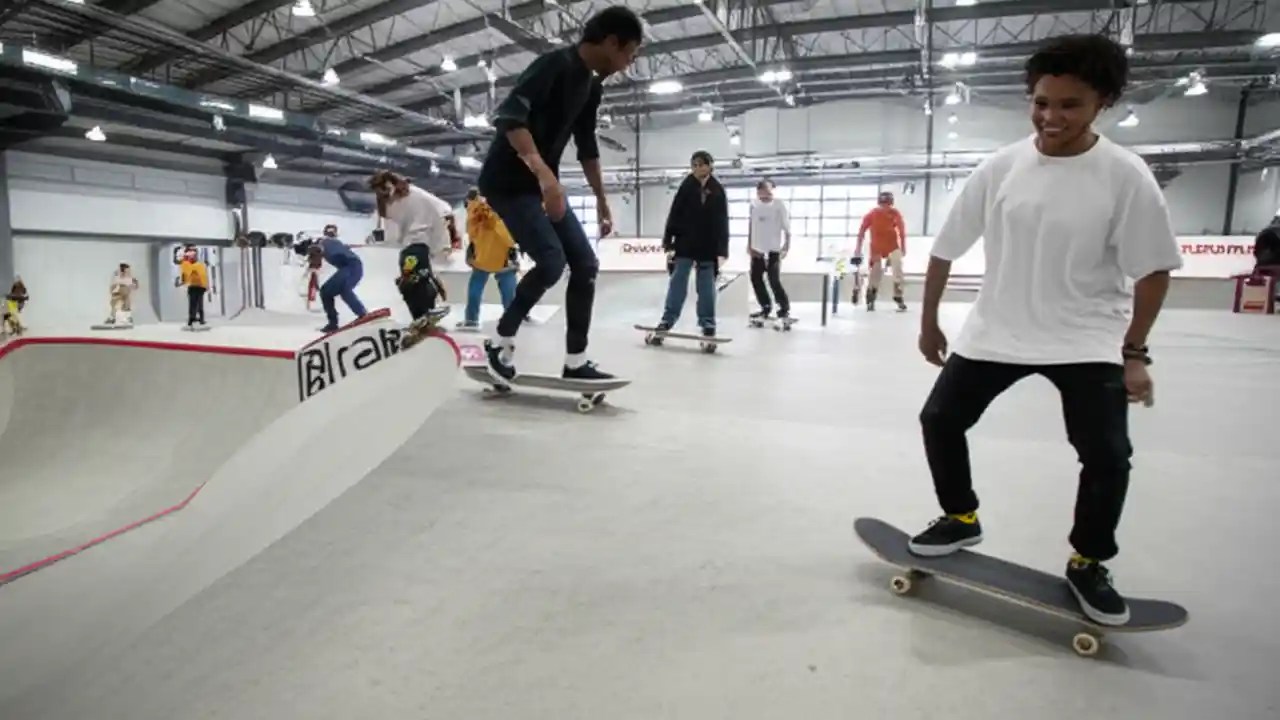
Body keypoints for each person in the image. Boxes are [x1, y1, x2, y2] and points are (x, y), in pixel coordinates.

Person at [906, 33, 1182, 627]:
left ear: (1101, 102)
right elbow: (945, 250)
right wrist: (928, 322)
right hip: (996, 329)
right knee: (940, 420)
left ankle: (1088, 561)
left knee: (1107, 454)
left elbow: (1154, 270)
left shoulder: (1125, 175)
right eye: (1040, 102)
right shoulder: (1002, 166)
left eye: (1068, 105)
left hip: (1085, 336)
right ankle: (961, 517)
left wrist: (1135, 353)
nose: (1050, 117)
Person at [476, 5, 644, 382]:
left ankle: (575, 362)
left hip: (540, 184)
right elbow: (510, 120)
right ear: (611, 42)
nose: (627, 65)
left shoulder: (591, 85)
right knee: (551, 262)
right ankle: (500, 342)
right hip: (507, 181)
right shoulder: (552, 65)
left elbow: (586, 145)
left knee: (585, 264)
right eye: (628, 55)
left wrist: (601, 199)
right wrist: (545, 176)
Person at [651, 151, 730, 338]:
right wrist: (668, 239)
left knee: (706, 287)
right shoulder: (686, 186)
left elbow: (722, 221)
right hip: (685, 242)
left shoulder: (717, 190)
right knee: (678, 282)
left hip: (708, 245)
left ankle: (708, 323)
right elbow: (675, 212)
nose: (697, 169)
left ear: (710, 165)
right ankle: (667, 320)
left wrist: (722, 249)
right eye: (694, 165)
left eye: (701, 165)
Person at [369, 170, 453, 321]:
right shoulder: (388, 203)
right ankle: (420, 316)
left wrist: (444, 244)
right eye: (380, 192)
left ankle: (426, 311)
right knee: (407, 284)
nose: (384, 195)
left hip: (419, 245)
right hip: (409, 247)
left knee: (414, 281)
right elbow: (392, 230)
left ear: (391, 184)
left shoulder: (414, 194)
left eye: (385, 190)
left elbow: (442, 211)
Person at [459, 188, 519, 330]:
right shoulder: (504, 206)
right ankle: (511, 318)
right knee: (508, 286)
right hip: (503, 254)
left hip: (482, 253)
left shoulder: (475, 210)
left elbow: (471, 231)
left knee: (476, 285)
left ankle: (471, 320)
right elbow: (511, 236)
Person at [747, 179, 792, 323]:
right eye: (763, 191)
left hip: (773, 249)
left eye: (769, 190)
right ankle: (765, 306)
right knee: (755, 278)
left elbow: (787, 226)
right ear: (758, 192)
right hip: (757, 249)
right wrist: (749, 245)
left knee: (774, 280)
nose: (767, 193)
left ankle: (784, 308)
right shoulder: (754, 205)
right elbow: (752, 225)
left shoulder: (779, 205)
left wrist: (786, 245)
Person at [855, 191, 908, 311]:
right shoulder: (872, 215)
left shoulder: (895, 214)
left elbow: (901, 230)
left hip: (892, 247)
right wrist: (858, 248)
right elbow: (862, 231)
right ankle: (871, 296)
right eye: (883, 204)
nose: (885, 207)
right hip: (877, 248)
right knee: (875, 273)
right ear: (879, 203)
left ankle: (898, 295)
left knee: (897, 268)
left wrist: (903, 247)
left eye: (888, 204)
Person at [313, 224, 369, 332]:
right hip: (348, 268)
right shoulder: (333, 244)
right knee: (326, 292)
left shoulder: (327, 243)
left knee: (344, 289)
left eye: (332, 234)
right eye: (329, 233)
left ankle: (362, 314)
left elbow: (326, 246)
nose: (331, 236)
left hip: (353, 266)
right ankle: (333, 323)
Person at [178, 246, 209, 327]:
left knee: (198, 304)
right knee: (194, 304)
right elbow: (185, 274)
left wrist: (205, 285)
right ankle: (192, 318)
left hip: (198, 287)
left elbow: (203, 276)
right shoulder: (188, 264)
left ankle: (198, 319)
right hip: (194, 287)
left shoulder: (199, 265)